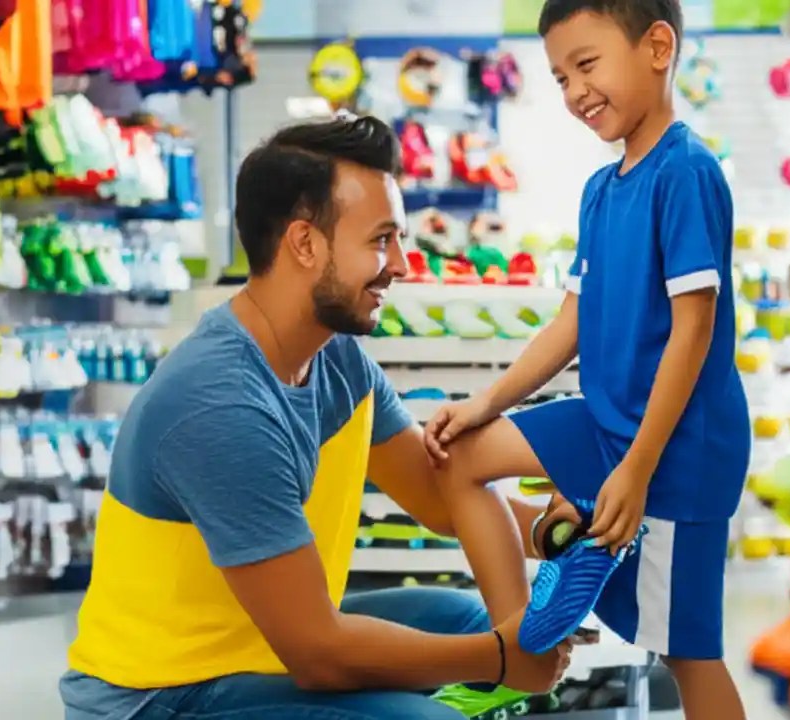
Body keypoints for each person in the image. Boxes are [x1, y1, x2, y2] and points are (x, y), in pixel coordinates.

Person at [59, 115, 575, 720]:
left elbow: (437, 498)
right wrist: (498, 659)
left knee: (471, 620)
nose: (403, 265)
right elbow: (318, 655)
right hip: (157, 697)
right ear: (305, 244)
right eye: (382, 240)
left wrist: (555, 530)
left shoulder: (336, 360)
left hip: (257, 653)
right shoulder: (219, 405)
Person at [424, 1, 751, 719]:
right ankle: (524, 653)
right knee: (461, 453)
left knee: (688, 656)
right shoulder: (601, 192)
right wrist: (487, 401)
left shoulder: (687, 172)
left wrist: (636, 469)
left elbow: (693, 332)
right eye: (560, 76)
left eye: (587, 65)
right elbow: (571, 320)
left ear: (658, 46)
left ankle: (572, 539)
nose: (574, 92)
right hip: (609, 423)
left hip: (676, 450)